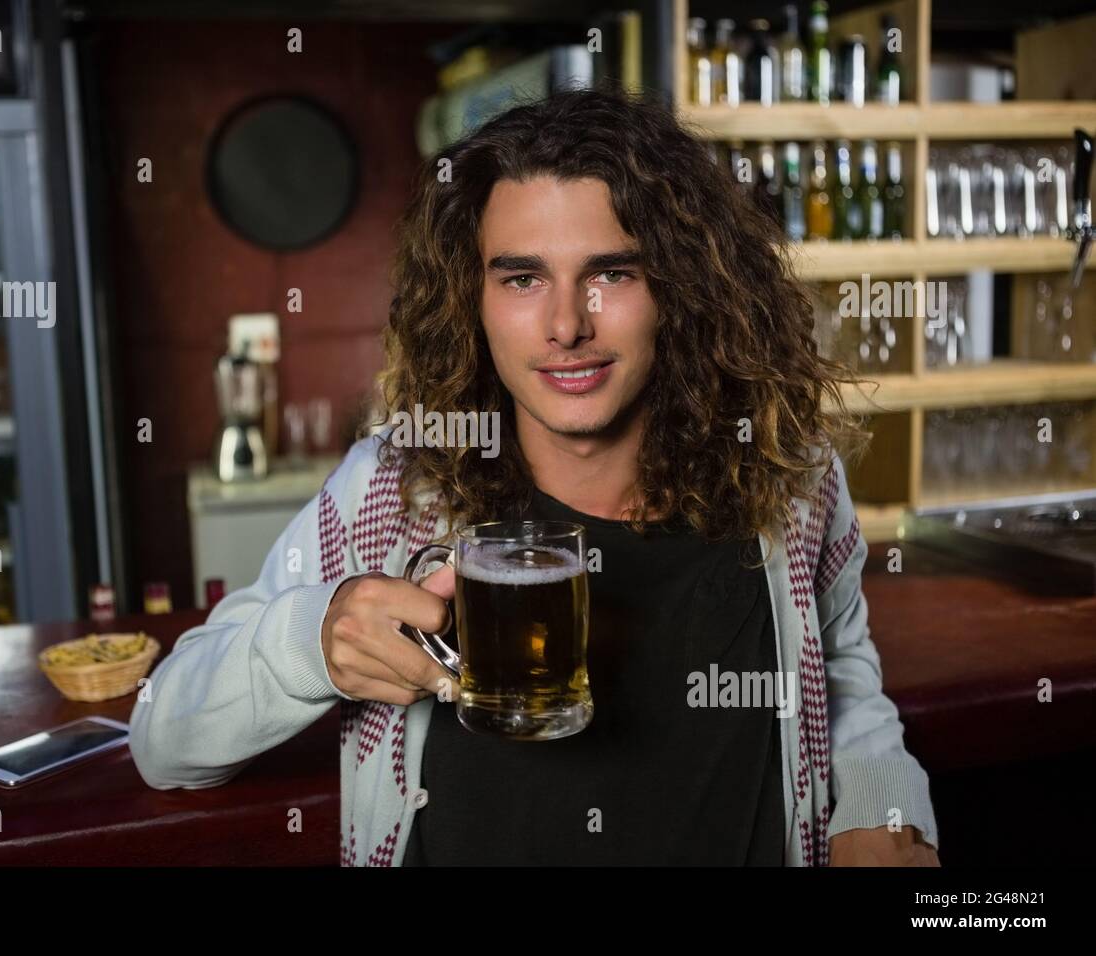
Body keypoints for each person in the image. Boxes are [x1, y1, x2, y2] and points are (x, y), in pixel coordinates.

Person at [129, 86, 939, 867]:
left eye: (612, 274)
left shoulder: (786, 478)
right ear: (470, 299)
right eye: (522, 278)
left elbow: (840, 674)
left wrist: (878, 800)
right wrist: (315, 642)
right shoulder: (396, 490)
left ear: (683, 286)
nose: (565, 326)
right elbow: (163, 738)